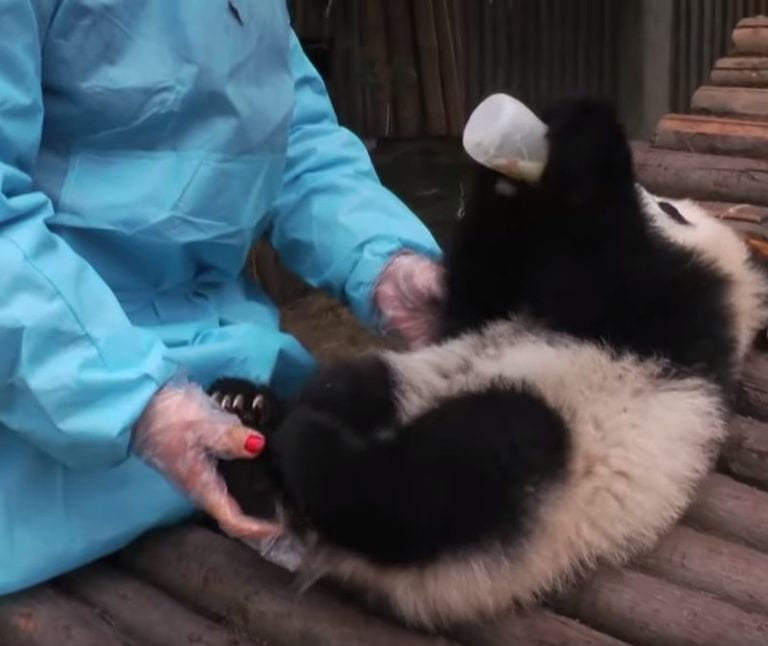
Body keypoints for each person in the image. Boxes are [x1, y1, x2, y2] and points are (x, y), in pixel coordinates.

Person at [0, 0, 443, 595]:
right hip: (44, 410)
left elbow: (294, 139)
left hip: (231, 378)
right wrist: (133, 400)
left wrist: (387, 262)